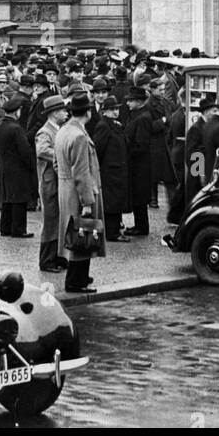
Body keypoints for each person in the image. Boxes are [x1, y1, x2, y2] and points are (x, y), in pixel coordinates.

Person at [55, 91, 103, 293]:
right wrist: (86, 202)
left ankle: (80, 276)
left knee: (73, 233)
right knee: (83, 234)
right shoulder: (79, 136)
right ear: (88, 112)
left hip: (65, 188)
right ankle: (76, 280)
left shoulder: (63, 131)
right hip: (79, 191)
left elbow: (56, 164)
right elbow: (82, 173)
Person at [0, 96, 35, 238]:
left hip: (5, 167)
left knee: (7, 199)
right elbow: (25, 151)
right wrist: (30, 166)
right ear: (16, 111)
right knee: (19, 199)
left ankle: (5, 228)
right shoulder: (16, 128)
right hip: (19, 169)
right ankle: (18, 229)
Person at [35, 94, 69, 272]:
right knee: (50, 221)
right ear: (54, 113)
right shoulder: (45, 131)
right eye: (63, 110)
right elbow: (41, 151)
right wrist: (62, 155)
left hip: (57, 181)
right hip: (49, 183)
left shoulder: (58, 128)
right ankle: (46, 260)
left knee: (58, 219)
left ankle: (56, 256)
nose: (66, 113)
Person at [92, 95, 130, 240]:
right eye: (112, 109)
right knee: (111, 203)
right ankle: (112, 232)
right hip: (110, 171)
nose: (115, 112)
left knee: (116, 202)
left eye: (116, 109)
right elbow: (98, 149)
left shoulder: (115, 124)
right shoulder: (103, 126)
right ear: (105, 111)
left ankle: (115, 229)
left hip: (117, 169)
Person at [123, 87, 156, 236]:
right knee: (138, 196)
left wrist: (128, 153)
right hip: (137, 162)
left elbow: (141, 144)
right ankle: (139, 225)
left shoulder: (143, 117)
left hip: (140, 163)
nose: (128, 103)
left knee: (140, 197)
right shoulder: (136, 114)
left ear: (139, 101)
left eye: (131, 100)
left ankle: (141, 227)